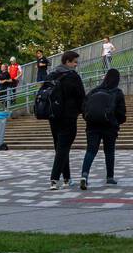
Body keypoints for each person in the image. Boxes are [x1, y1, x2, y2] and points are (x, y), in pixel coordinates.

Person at [79, 68, 126, 190]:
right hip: (109, 126)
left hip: (92, 125)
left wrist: (88, 118)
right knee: (109, 151)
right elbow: (121, 113)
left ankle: (84, 175)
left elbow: (84, 107)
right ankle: (110, 177)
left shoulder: (94, 91)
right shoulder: (117, 92)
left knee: (90, 151)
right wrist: (116, 121)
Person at [45, 51, 86, 190]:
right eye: (74, 62)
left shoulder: (52, 74)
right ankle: (54, 179)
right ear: (67, 62)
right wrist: (83, 111)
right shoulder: (73, 76)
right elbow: (81, 96)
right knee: (63, 147)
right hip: (68, 116)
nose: (76, 65)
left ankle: (67, 178)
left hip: (53, 116)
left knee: (61, 147)